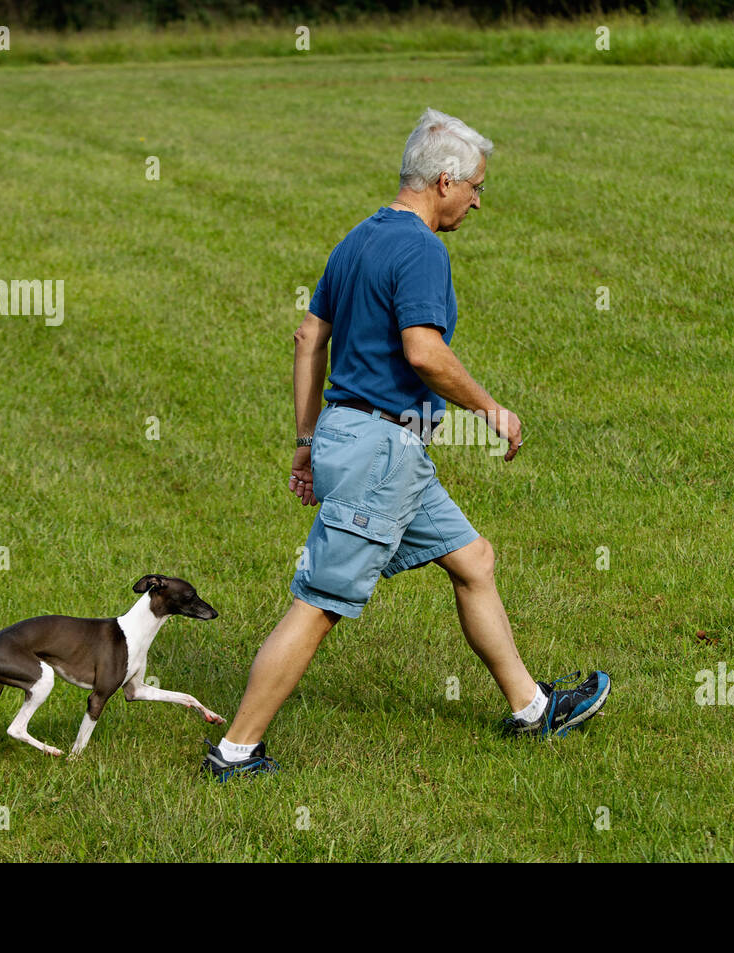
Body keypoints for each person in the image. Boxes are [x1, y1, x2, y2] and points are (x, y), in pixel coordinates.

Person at [202, 108, 610, 780]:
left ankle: (533, 709)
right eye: (476, 185)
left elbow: (309, 338)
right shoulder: (422, 248)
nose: (478, 199)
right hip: (381, 453)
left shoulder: (358, 237)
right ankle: (235, 751)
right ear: (444, 179)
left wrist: (306, 442)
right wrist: (490, 409)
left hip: (371, 445)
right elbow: (424, 351)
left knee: (474, 559)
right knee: (320, 601)